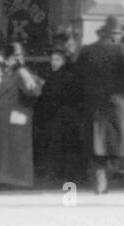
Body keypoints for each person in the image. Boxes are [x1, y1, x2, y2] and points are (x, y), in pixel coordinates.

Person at [74, 15, 124, 194]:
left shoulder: (87, 51)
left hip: (95, 106)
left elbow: (77, 79)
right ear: (116, 35)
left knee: (98, 146)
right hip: (122, 105)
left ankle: (100, 184)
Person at [0, 42, 39, 188]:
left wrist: (23, 71)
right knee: (1, 170)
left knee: (13, 171)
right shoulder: (5, 76)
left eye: (20, 56)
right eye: (15, 56)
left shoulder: (23, 74)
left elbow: (33, 90)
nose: (19, 59)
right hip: (1, 129)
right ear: (7, 59)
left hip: (15, 128)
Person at [34, 46, 85, 187]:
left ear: (64, 60)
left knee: (62, 148)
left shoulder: (59, 77)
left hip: (60, 119)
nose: (53, 63)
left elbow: (49, 98)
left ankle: (64, 177)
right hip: (67, 119)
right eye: (52, 60)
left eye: (57, 59)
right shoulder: (66, 75)